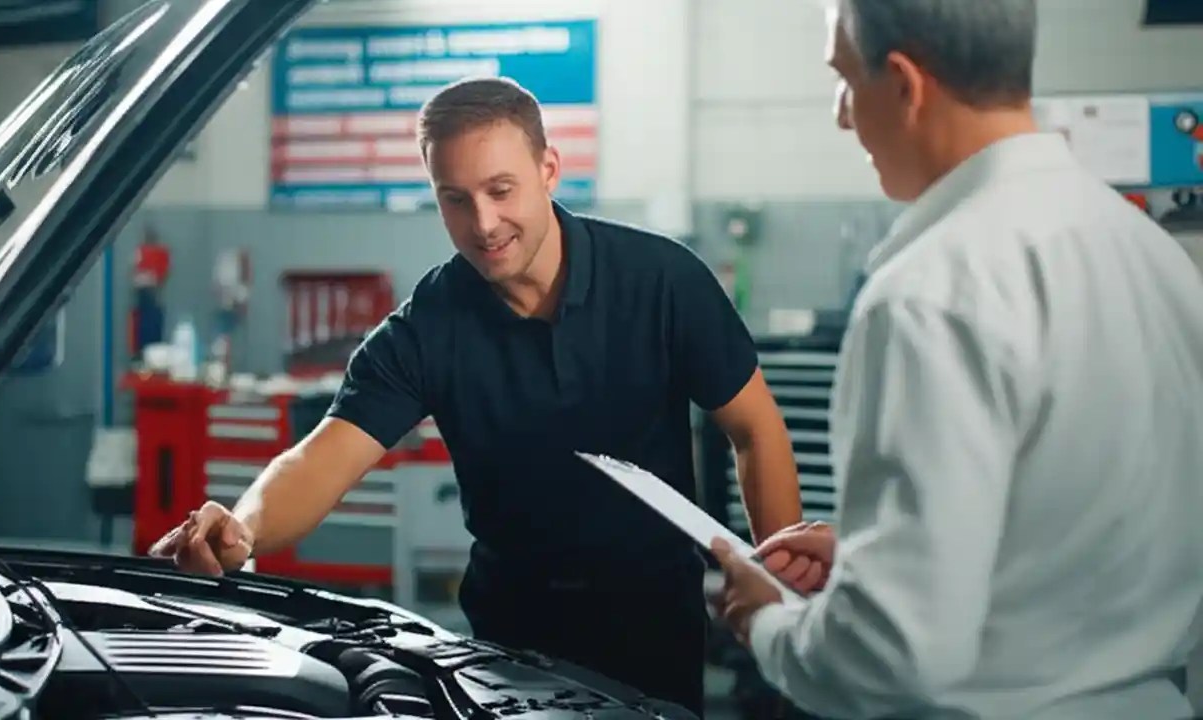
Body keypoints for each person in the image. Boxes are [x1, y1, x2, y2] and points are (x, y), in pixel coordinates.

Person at [151, 76, 805, 715]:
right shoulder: (426, 328)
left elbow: (754, 428)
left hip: (656, 626)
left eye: (500, 190)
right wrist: (244, 526)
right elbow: (320, 457)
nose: (483, 223)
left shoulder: (664, 282)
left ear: (548, 169)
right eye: (455, 199)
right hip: (507, 638)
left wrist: (781, 594)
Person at [709, 1, 1203, 718]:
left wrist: (768, 623)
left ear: (906, 85)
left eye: (846, 81)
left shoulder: (930, 288)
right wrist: (876, 556)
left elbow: (894, 656)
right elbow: (1086, 534)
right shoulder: (1156, 258)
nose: (844, 117)